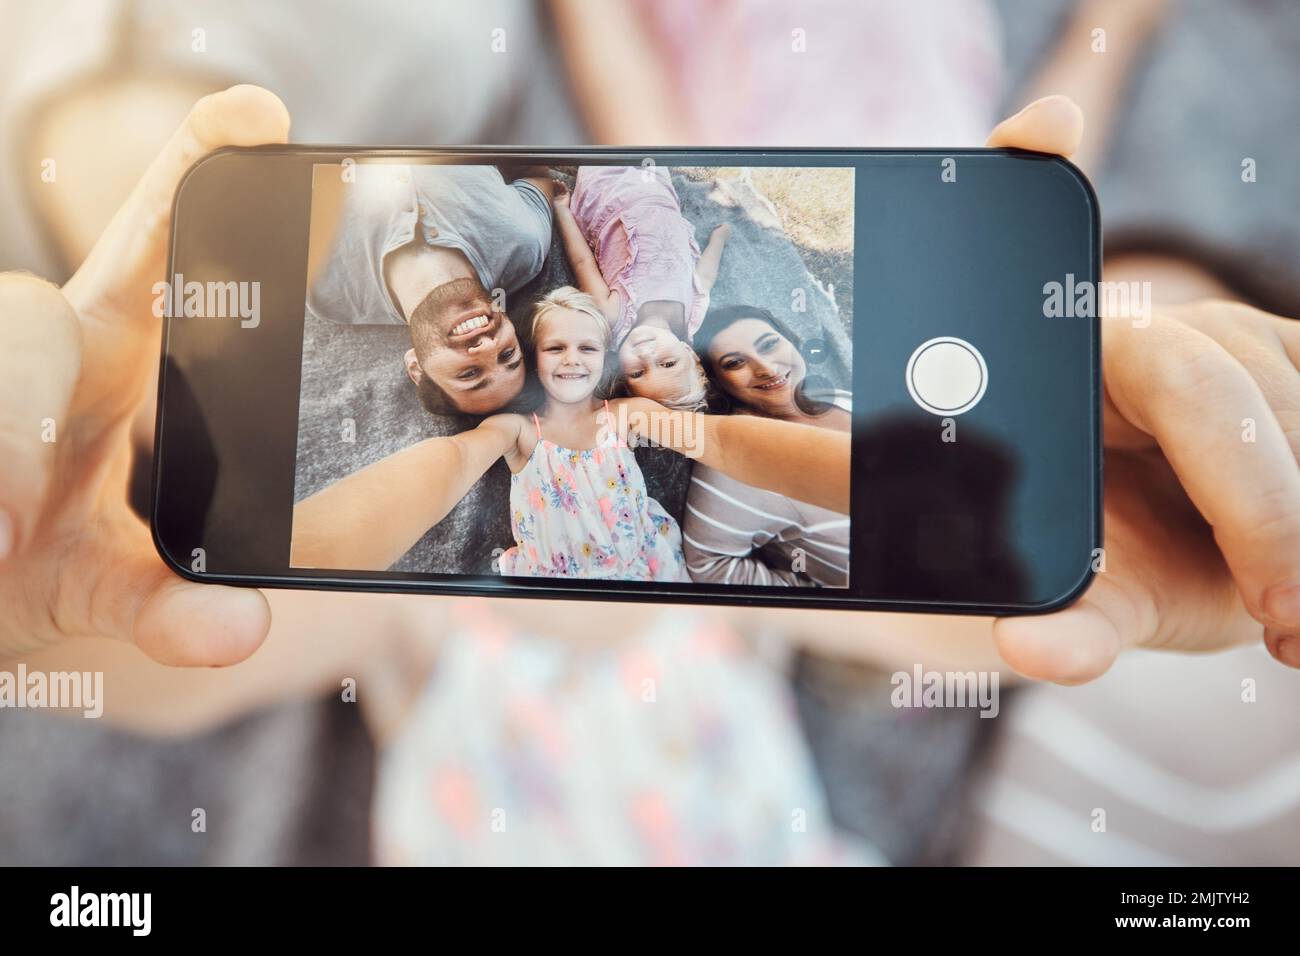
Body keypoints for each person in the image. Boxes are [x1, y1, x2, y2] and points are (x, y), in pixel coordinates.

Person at [290, 285, 850, 576]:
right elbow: (453, 462)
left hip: (648, 572)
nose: (572, 359)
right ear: (536, 358)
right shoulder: (516, 430)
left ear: (605, 361)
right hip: (553, 588)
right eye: (556, 347)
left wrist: (871, 471)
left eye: (588, 348)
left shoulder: (623, 417)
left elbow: (722, 442)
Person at [306, 162, 556, 417]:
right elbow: (535, 168)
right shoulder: (525, 245)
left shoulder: (325, 288)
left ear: (417, 369)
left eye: (470, 373)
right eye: (507, 354)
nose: (488, 347)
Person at [681, 305, 850, 587]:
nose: (767, 368)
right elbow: (708, 565)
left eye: (770, 344)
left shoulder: (833, 397)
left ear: (791, 340)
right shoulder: (733, 463)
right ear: (718, 382)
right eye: (735, 363)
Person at [553, 164, 730, 408]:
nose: (646, 355)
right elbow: (706, 275)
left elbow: (582, 262)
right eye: (668, 363)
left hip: (607, 197)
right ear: (691, 355)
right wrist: (719, 239)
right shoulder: (692, 317)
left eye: (637, 373)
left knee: (604, 144)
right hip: (661, 196)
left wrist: (562, 210)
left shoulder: (614, 316)